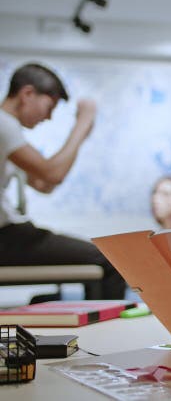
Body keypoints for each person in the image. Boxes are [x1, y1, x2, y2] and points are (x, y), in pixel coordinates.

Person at [0, 63, 126, 300]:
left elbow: (43, 185)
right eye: (50, 107)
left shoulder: (6, 132)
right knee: (109, 261)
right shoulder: (3, 125)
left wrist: (79, 138)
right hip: (7, 238)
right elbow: (51, 173)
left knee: (103, 259)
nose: (48, 118)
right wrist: (81, 124)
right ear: (27, 94)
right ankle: (106, 332)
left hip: (11, 236)